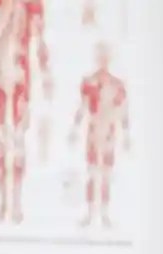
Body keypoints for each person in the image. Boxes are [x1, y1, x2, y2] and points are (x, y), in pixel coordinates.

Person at [0, 0, 52, 223]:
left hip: (19, 76)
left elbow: (40, 38)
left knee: (17, 139)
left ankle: (15, 202)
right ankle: (3, 201)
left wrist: (46, 74)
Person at [69, 41, 130, 229]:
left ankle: (104, 213)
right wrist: (75, 128)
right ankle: (90, 212)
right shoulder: (89, 82)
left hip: (109, 131)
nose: (103, 60)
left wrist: (126, 134)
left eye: (106, 56)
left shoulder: (117, 84)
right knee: (92, 172)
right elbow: (83, 106)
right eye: (100, 56)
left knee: (105, 174)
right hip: (94, 130)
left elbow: (122, 110)